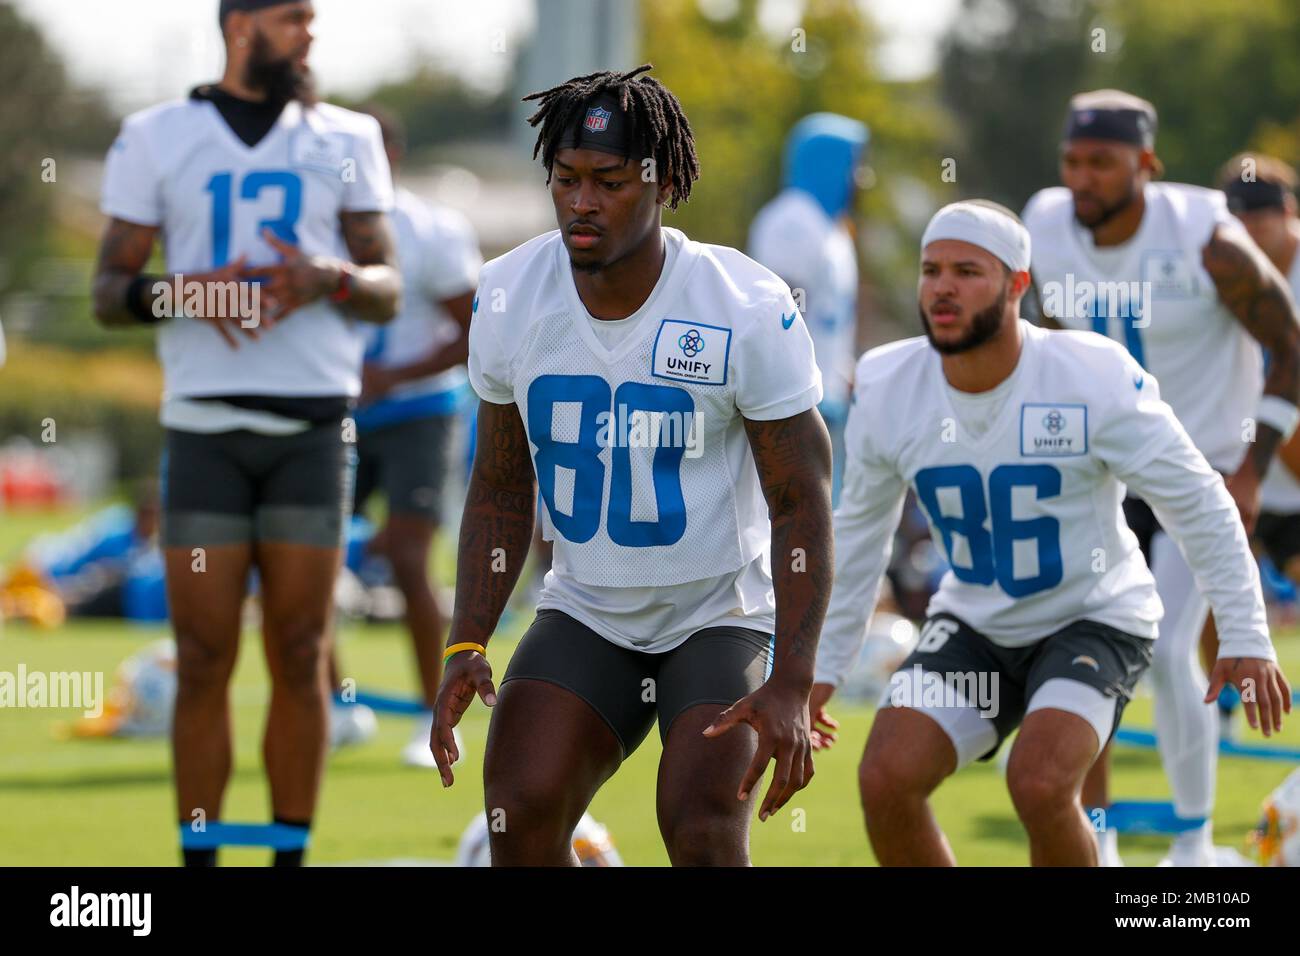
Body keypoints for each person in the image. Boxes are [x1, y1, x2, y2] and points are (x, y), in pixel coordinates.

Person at [430, 65, 834, 866]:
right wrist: (465, 639)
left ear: (665, 183)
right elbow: (503, 483)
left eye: (609, 181)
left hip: (720, 607)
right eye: (567, 179)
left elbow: (801, 501)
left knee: (701, 819)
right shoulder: (510, 294)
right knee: (519, 807)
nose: (582, 201)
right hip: (591, 606)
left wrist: (791, 678)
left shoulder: (742, 305)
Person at [812, 200, 1290, 866]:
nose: (942, 286)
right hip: (977, 622)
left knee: (1038, 782)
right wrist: (822, 669)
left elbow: (1199, 501)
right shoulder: (890, 383)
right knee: (886, 778)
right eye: (930, 269)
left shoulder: (1087, 375)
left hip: (1093, 617)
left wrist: (1243, 631)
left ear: (1017, 285)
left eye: (967, 270)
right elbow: (861, 537)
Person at [92, 0, 401, 866]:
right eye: (293, 17)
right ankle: (201, 858)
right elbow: (108, 290)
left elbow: (388, 289)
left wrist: (327, 277)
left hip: (311, 431)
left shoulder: (347, 134)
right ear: (240, 25)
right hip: (204, 434)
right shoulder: (155, 135)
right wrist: (196, 292)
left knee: (302, 649)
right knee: (201, 654)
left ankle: (286, 859)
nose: (310, 32)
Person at [1022, 90, 1300, 865]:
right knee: (1079, 647)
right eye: (1073, 161)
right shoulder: (1041, 224)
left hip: (1196, 468)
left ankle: (1191, 844)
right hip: (1099, 468)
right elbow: (1031, 335)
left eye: (1103, 163)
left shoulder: (1206, 237)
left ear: (1147, 165)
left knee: (1171, 645)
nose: (1084, 178)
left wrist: (1248, 469)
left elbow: (1291, 347)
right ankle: (1100, 843)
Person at [349, 105, 481, 766]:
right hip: (338, 411)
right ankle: (330, 704)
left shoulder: (432, 230)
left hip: (416, 410)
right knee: (294, 556)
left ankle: (436, 717)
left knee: (407, 556)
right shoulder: (315, 225)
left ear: (390, 157)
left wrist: (391, 374)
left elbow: (472, 333)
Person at [749, 113, 869, 505]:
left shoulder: (830, 226)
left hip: (828, 401)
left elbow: (832, 317)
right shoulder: (791, 221)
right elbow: (783, 315)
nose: (861, 178)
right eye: (855, 165)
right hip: (797, 404)